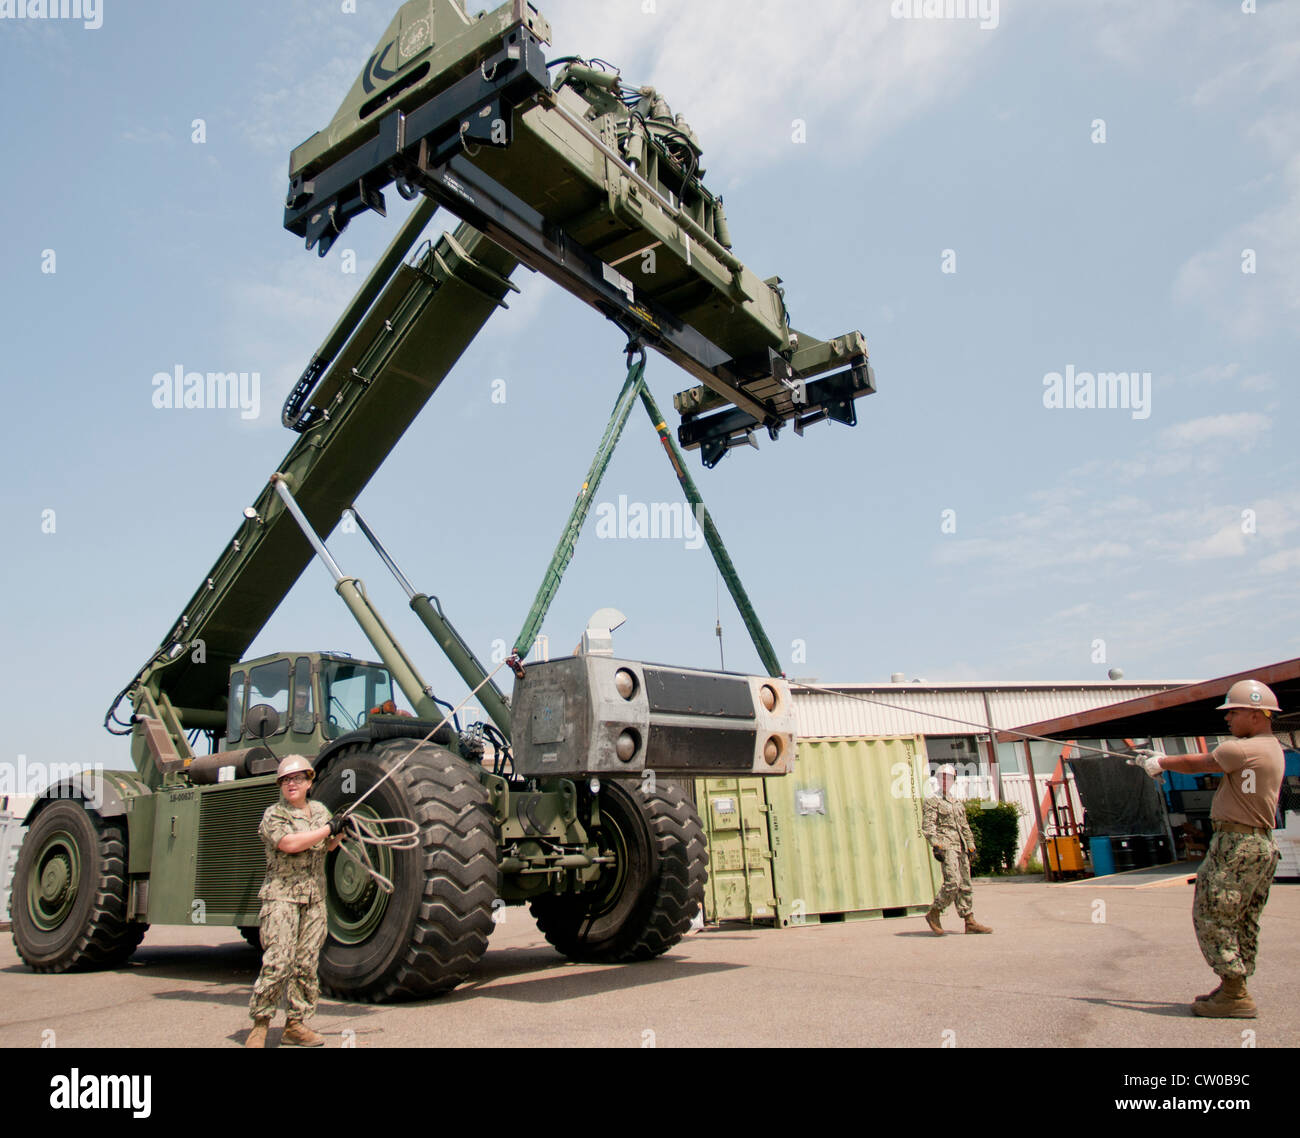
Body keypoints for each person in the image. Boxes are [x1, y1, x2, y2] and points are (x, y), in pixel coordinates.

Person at [1130, 679, 1284, 1018]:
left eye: (1234, 712)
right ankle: (1233, 985)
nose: (1227, 719)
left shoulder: (1241, 749)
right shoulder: (1267, 747)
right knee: (1241, 919)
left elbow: (1201, 762)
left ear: (1259, 714)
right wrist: (1162, 761)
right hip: (1257, 843)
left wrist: (1161, 763)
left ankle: (1235, 993)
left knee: (1212, 914)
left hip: (1237, 844)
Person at [246, 754, 344, 1047]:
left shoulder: (319, 811)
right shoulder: (274, 815)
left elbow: (328, 847)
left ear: (309, 781)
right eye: (287, 780)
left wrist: (340, 830)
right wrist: (329, 829)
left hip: (314, 899)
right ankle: (260, 1024)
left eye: (298, 778)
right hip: (281, 898)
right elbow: (289, 844)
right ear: (280, 784)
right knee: (279, 962)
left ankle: (295, 1026)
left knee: (306, 964)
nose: (292, 784)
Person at [921, 763, 992, 935]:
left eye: (949, 778)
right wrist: (936, 845)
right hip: (946, 847)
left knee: (966, 885)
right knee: (952, 883)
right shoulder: (933, 801)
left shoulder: (957, 803)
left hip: (961, 848)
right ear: (937, 780)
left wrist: (971, 845)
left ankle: (969, 921)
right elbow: (928, 826)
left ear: (954, 781)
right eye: (942, 777)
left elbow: (964, 826)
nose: (946, 781)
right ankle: (934, 912)